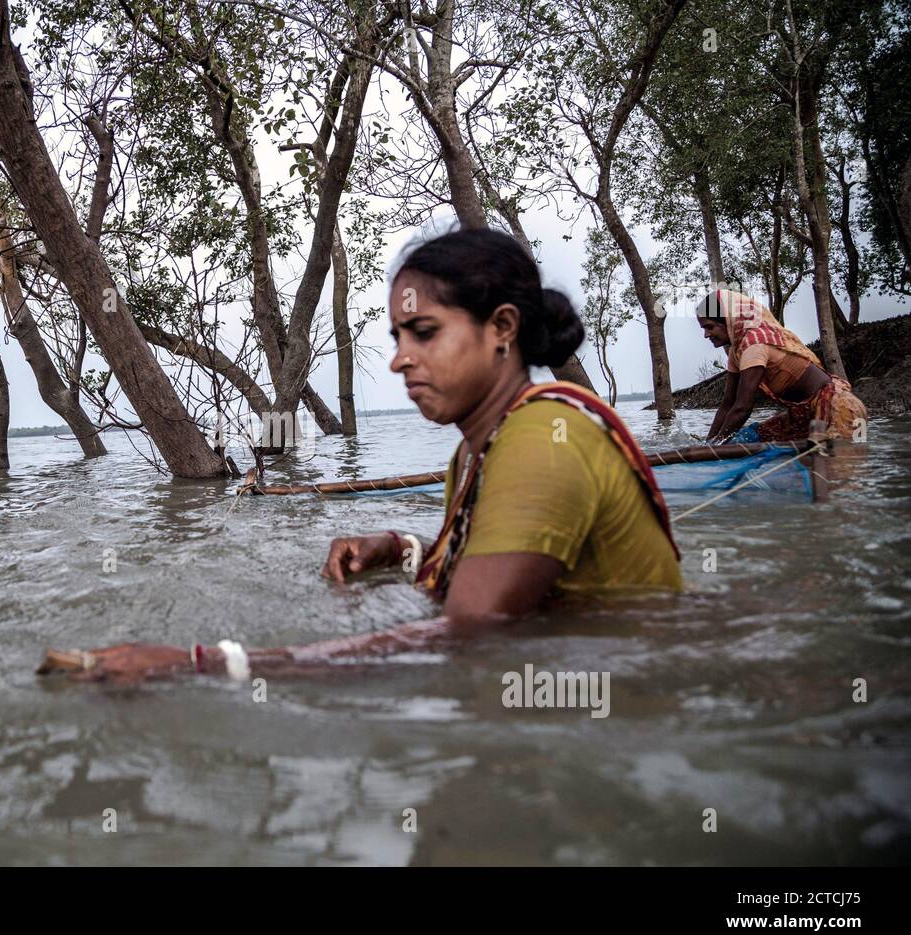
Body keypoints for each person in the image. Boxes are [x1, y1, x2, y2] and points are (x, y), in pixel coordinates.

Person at [43, 228, 682, 683]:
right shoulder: (480, 451)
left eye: (424, 333)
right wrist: (401, 548)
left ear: (503, 329)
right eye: (398, 337)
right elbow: (489, 575)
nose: (401, 358)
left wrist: (204, 664)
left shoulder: (543, 441)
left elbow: (472, 636)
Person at [696, 288, 867, 443]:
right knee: (751, 437)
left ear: (728, 320)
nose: (705, 335)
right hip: (805, 417)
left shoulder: (754, 345)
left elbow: (742, 407)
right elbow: (728, 404)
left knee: (830, 470)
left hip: (839, 411)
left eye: (710, 327)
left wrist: (716, 446)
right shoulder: (736, 352)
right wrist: (709, 442)